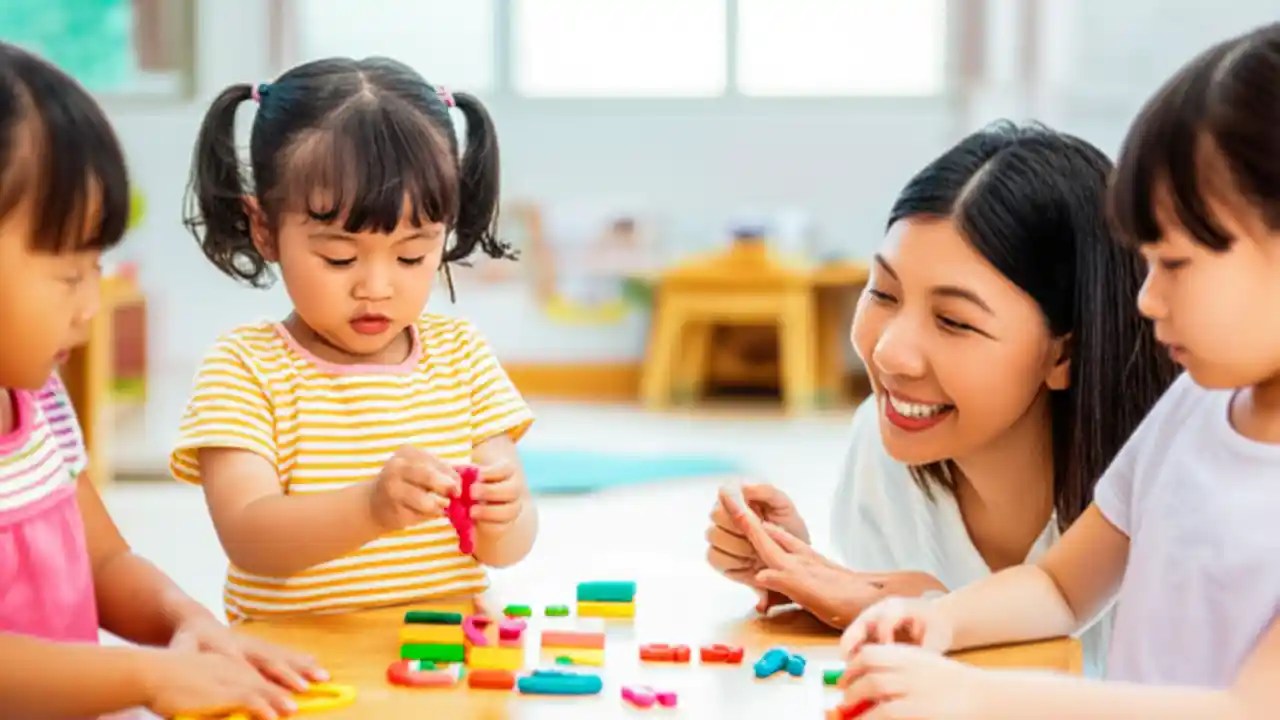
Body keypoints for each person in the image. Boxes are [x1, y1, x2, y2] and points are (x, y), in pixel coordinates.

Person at [837, 23, 1280, 719]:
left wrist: (978, 698)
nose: (1143, 298)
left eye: (1176, 265)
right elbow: (1060, 589)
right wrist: (942, 622)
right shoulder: (1191, 410)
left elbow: (1247, 711)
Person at [707, 121, 1176, 673]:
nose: (889, 354)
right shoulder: (884, 454)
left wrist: (909, 600)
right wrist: (812, 575)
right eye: (882, 292)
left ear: (1063, 355)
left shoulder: (1159, 493)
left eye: (953, 321)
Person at [0, 42, 323, 720]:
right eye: (67, 274)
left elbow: (106, 564)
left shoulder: (38, 403)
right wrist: (144, 677)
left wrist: (187, 623)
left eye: (97, 266)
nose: (91, 303)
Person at [174, 56, 536, 622]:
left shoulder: (461, 355)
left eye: (413, 254)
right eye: (339, 256)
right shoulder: (245, 368)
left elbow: (506, 549)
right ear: (264, 227)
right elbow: (249, 537)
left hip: (439, 662)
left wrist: (506, 514)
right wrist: (370, 507)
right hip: (299, 666)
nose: (376, 287)